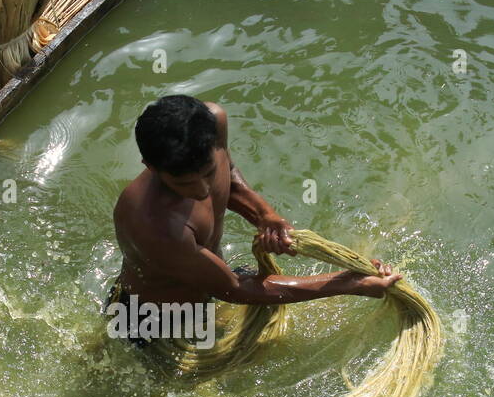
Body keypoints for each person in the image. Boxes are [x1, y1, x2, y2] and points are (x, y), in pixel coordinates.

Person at [109, 96, 401, 329]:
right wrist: (350, 283)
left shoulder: (215, 121)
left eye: (209, 173)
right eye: (182, 183)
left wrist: (264, 215)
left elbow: (230, 175)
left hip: (212, 282)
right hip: (157, 319)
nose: (202, 191)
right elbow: (234, 289)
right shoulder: (156, 226)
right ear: (151, 167)